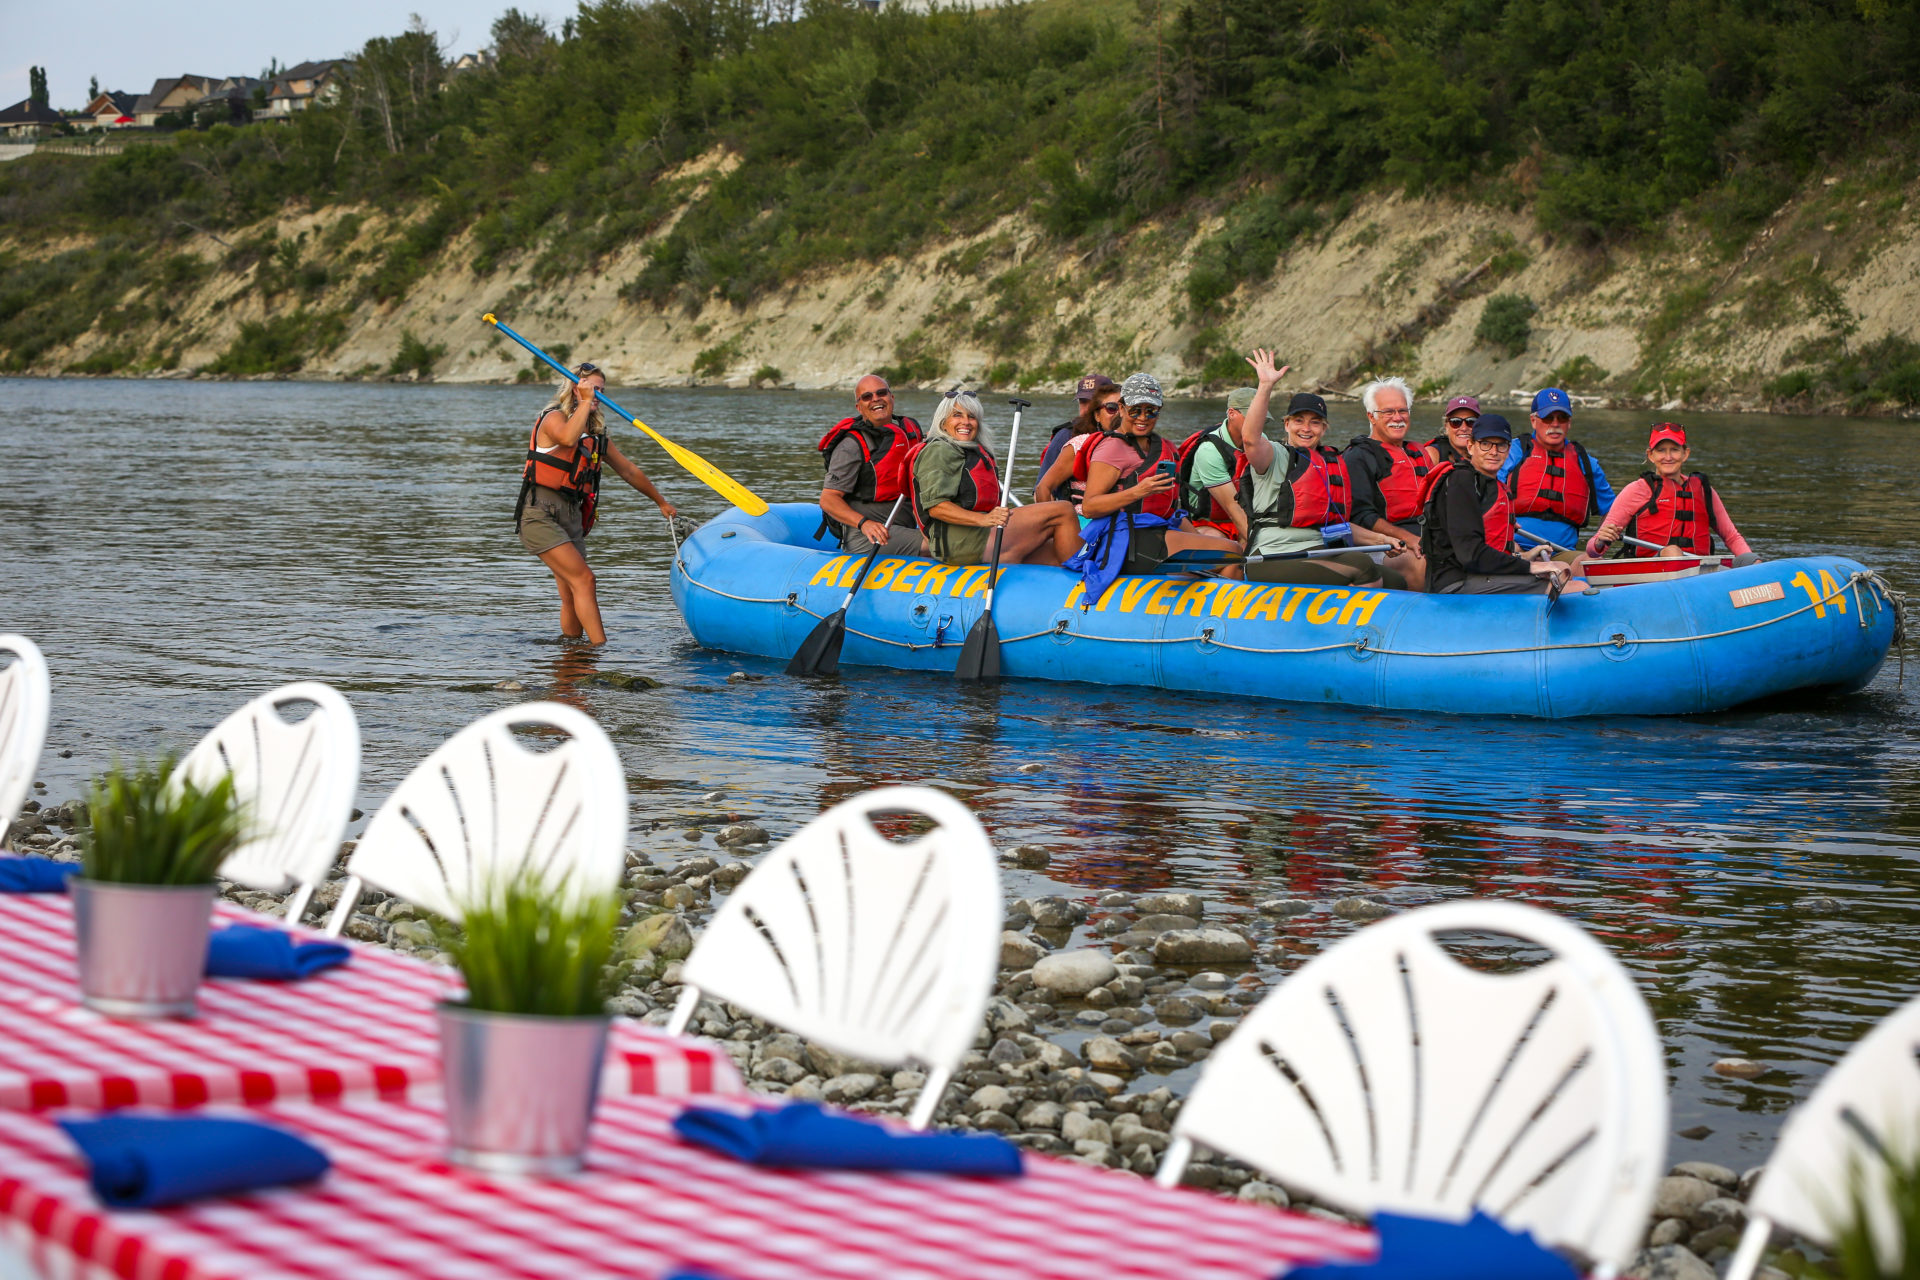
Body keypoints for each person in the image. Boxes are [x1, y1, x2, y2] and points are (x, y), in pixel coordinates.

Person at [515, 363, 677, 645]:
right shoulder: (553, 418)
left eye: (601, 390)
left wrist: (660, 501)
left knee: (571, 592)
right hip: (540, 513)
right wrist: (586, 401)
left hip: (571, 516)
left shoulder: (597, 436)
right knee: (585, 581)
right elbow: (566, 438)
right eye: (591, 387)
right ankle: (600, 650)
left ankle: (572, 655)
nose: (597, 394)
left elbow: (628, 470)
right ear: (574, 388)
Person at [1230, 355, 1407, 585]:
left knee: (1396, 581)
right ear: (1286, 424)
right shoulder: (1273, 456)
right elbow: (1250, 439)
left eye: (1315, 422)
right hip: (1271, 557)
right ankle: (1355, 622)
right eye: (1299, 420)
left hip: (1316, 552)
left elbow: (1337, 524)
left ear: (1324, 429)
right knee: (1362, 567)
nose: (1306, 428)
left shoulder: (1328, 462)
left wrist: (1382, 539)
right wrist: (1265, 386)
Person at [1069, 372, 1238, 580]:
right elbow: (1090, 506)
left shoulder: (1163, 447)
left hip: (1153, 533)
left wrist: (1195, 536)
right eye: (1135, 410)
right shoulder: (1111, 448)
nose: (1142, 418)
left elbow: (1170, 510)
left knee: (1231, 556)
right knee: (1232, 553)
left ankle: (1188, 609)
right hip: (1126, 541)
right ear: (1121, 408)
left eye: (1150, 411)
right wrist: (1140, 490)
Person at [909, 392, 1082, 566]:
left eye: (972, 417)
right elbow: (937, 507)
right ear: (943, 423)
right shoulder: (939, 450)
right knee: (1064, 510)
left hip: (977, 535)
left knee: (1054, 550)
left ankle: (1073, 583)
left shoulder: (968, 450)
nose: (966, 422)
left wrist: (988, 519)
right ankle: (1085, 578)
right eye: (957, 415)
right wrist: (984, 520)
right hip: (962, 542)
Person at [1422, 413, 1587, 595]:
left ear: (1508, 450)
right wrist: (1529, 567)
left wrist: (1521, 556)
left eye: (1500, 445)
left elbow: (1489, 548)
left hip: (1481, 574)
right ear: (1471, 446)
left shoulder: (1492, 485)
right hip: (1457, 582)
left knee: (1564, 569)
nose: (1493, 452)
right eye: (1485, 444)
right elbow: (1470, 555)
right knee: (1578, 589)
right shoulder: (1461, 482)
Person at [1588, 423, 1757, 564]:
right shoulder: (1636, 490)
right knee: (1673, 552)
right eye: (1661, 450)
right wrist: (1599, 542)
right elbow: (1593, 551)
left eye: (1674, 450)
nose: (1668, 457)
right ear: (1651, 455)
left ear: (1685, 454)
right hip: (1648, 574)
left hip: (1697, 572)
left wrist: (1752, 563)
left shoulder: (1704, 492)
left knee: (1752, 560)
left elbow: (1732, 537)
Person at [1497, 388, 1617, 556]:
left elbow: (1614, 510)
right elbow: (1488, 494)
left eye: (1562, 418)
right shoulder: (1513, 452)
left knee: (1589, 562)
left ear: (1569, 423)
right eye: (1547, 418)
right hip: (1514, 548)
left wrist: (1599, 543)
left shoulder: (1586, 462)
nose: (1555, 424)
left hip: (1562, 554)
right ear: (1533, 420)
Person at [817, 375, 924, 556]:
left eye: (881, 393)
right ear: (859, 407)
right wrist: (865, 524)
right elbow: (828, 500)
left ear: (892, 398)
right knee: (943, 544)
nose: (875, 399)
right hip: (870, 537)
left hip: (903, 527)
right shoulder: (851, 445)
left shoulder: (909, 433)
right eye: (867, 397)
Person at [1343, 377, 1432, 591]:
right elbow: (1362, 515)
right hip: (1380, 543)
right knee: (1421, 562)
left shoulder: (1419, 452)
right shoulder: (1358, 457)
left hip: (1426, 535)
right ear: (1371, 416)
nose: (1397, 418)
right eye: (1388, 412)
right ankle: (1420, 619)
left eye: (1403, 411)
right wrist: (1408, 538)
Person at [1175, 386, 1256, 540]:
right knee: (1227, 545)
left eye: (1261, 416)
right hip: (1209, 523)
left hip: (1246, 516)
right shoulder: (1210, 451)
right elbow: (1233, 508)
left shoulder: (1261, 439)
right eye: (1251, 416)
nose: (1257, 422)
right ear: (1231, 413)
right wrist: (1260, 546)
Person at [1034, 376, 1123, 510]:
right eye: (1083, 402)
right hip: (1074, 516)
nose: (1088, 408)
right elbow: (1041, 490)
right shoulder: (1067, 436)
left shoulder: (1133, 437)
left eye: (1092, 402)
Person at [1426, 395, 1480, 466]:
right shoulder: (1432, 455)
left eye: (1471, 422)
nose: (1464, 428)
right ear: (1446, 426)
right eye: (1455, 422)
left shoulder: (1491, 454)